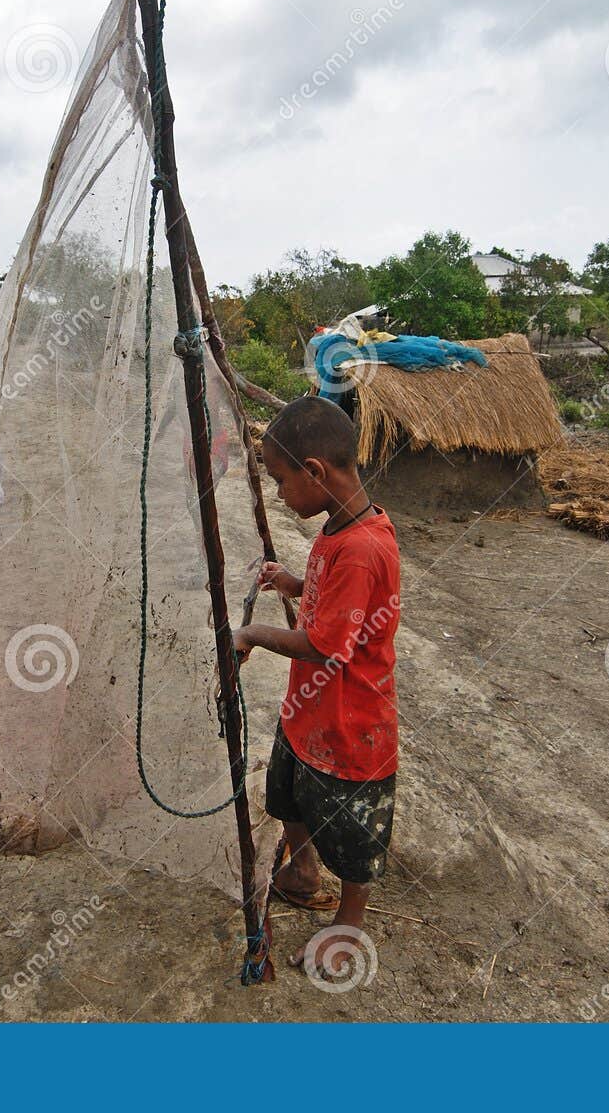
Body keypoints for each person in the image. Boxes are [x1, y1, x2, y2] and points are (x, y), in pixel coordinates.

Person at [232, 396, 400, 981]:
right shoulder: (345, 526)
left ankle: (351, 918)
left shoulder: (361, 547)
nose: (279, 493)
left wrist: (254, 631)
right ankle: (302, 873)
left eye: (280, 480)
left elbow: (328, 644)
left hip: (350, 726)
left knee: (353, 835)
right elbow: (337, 598)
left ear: (315, 472)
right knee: (289, 793)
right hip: (311, 713)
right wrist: (297, 582)